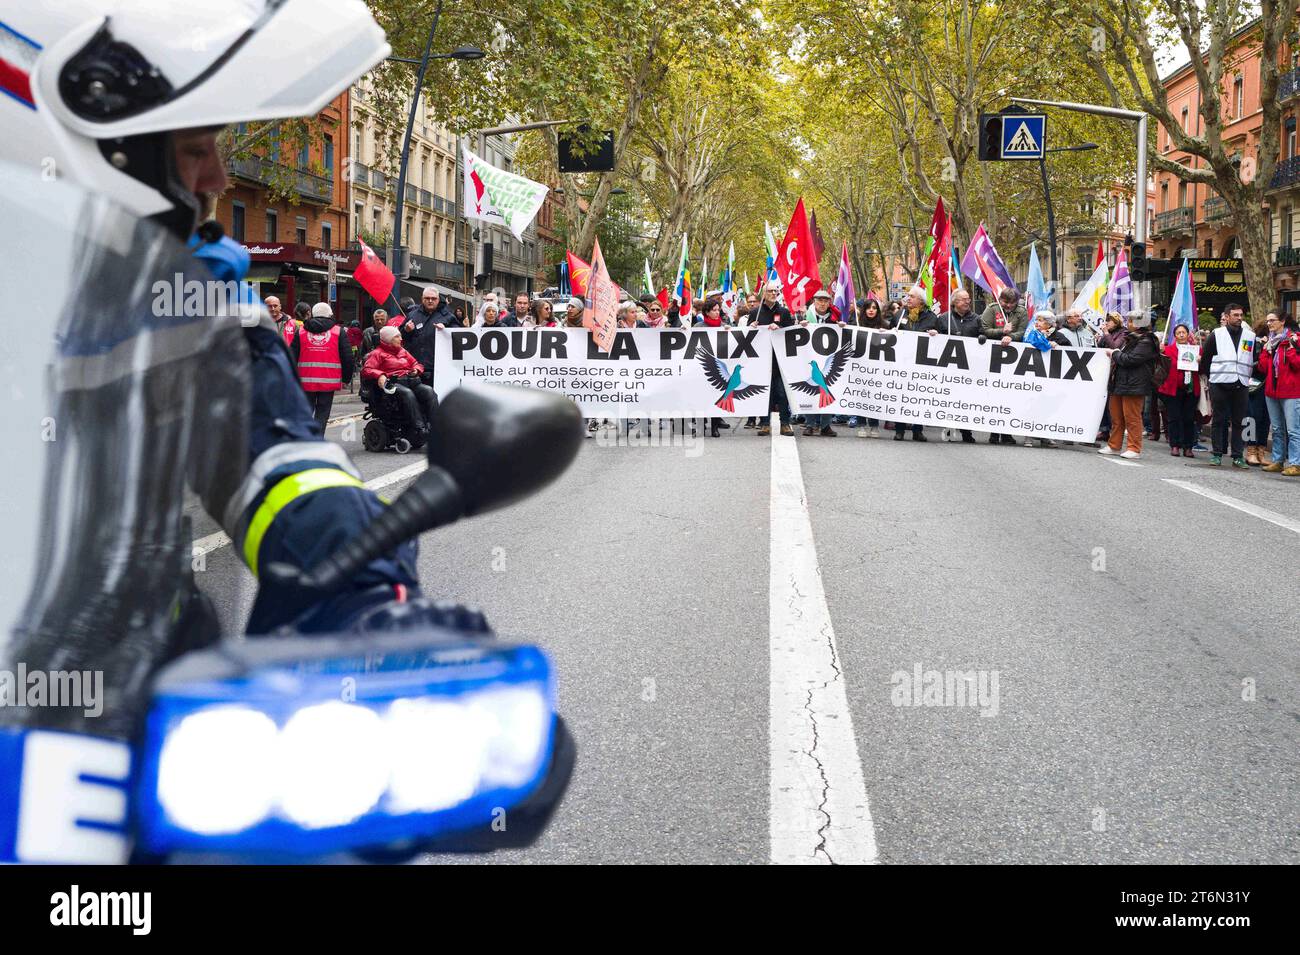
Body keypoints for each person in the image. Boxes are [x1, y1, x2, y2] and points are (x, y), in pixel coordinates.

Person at [1198, 302, 1255, 467]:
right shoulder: (1216, 334)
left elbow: (1252, 358)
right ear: (1227, 316)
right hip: (1220, 383)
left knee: (1239, 421)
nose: (1239, 318)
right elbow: (1206, 358)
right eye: (1236, 315)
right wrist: (1211, 378)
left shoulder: (1249, 336)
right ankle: (1217, 454)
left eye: (1241, 315)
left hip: (1241, 383)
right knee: (1219, 420)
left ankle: (1237, 456)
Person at [1098, 310, 1158, 459]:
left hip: (1135, 384)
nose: (1128, 324)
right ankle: (1114, 445)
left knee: (1132, 417)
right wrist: (1117, 353)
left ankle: (1134, 448)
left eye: (1131, 321)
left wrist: (1115, 353)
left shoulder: (1147, 340)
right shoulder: (1131, 337)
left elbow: (1130, 359)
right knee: (1116, 417)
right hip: (1120, 382)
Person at [361, 326, 436, 436]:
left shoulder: (403, 351)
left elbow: (416, 364)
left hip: (411, 381)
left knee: (428, 391)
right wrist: (380, 374)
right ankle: (420, 428)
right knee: (407, 394)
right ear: (388, 339)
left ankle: (436, 425)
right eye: (397, 336)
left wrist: (416, 370)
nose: (401, 339)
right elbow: (366, 370)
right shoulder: (377, 353)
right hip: (392, 383)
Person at [893, 285, 941, 442]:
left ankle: (917, 430)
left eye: (911, 296)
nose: (908, 298)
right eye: (907, 296)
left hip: (921, 365)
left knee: (919, 398)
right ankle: (899, 429)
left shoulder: (931, 318)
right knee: (901, 396)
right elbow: (889, 331)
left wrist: (936, 335)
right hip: (902, 363)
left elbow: (941, 340)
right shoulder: (900, 315)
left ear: (920, 300)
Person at [1257, 311, 1300, 475]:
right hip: (1272, 391)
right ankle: (1278, 460)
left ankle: (1296, 463)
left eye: (1272, 320)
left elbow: (1297, 364)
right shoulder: (1271, 342)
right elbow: (1262, 368)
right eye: (1267, 321)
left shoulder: (1294, 339)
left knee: (1293, 430)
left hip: (1291, 391)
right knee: (1276, 429)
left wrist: (1289, 350)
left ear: (1282, 321)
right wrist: (1265, 351)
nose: (1269, 324)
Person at [753, 281, 795, 436]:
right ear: (764, 294)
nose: (773, 293)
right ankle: (764, 423)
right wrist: (752, 327)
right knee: (765, 393)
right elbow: (748, 335)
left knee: (782, 393)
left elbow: (791, 334)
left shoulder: (784, 312)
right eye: (770, 291)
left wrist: (781, 329)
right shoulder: (755, 312)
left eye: (775, 291)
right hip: (762, 362)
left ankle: (785, 423)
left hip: (780, 361)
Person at [1159, 324, 1201, 458]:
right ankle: (1175, 445)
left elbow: (1203, 369)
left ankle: (1188, 447)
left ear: (1188, 334)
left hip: (1190, 388)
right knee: (1174, 418)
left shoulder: (1196, 350)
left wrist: (1200, 360)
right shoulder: (1168, 350)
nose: (1181, 335)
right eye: (1178, 333)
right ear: (1175, 336)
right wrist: (1159, 351)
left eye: (1184, 332)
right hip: (1173, 388)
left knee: (1189, 418)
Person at [945, 289, 981, 443]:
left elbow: (984, 333)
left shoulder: (977, 319)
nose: (967, 302)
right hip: (949, 367)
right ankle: (947, 429)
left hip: (969, 369)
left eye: (968, 299)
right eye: (963, 299)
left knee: (965, 401)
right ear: (954, 302)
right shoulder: (943, 319)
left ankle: (967, 432)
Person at [1244, 318, 1271, 466]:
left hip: (1270, 384)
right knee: (1251, 417)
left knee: (1266, 419)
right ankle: (1250, 450)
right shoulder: (1250, 340)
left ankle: (1261, 450)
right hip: (1254, 384)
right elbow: (1244, 360)